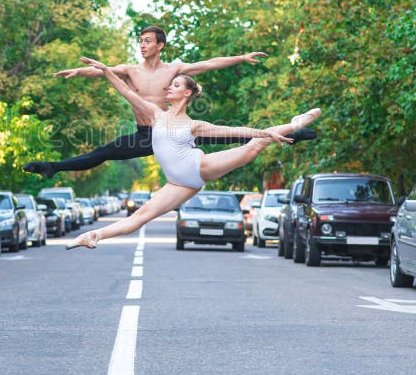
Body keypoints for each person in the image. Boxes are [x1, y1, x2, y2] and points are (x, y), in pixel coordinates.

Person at [66, 56, 321, 249]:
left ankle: (294, 124)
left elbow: (237, 130)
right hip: (177, 184)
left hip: (198, 168)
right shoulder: (156, 114)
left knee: (253, 146)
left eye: (175, 85)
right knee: (141, 215)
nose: (169, 87)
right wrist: (105, 69)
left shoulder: (194, 125)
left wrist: (268, 134)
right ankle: (94, 236)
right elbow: (125, 91)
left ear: (187, 93)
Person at [23, 26, 316, 179]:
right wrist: (79, 71)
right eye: (140, 40)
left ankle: (293, 133)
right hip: (144, 136)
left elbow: (209, 64)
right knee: (102, 152)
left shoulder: (173, 70)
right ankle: (53, 167)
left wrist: (240, 58)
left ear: (160, 45)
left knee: (233, 134)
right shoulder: (130, 70)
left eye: (148, 40)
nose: (142, 44)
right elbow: (103, 71)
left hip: (170, 130)